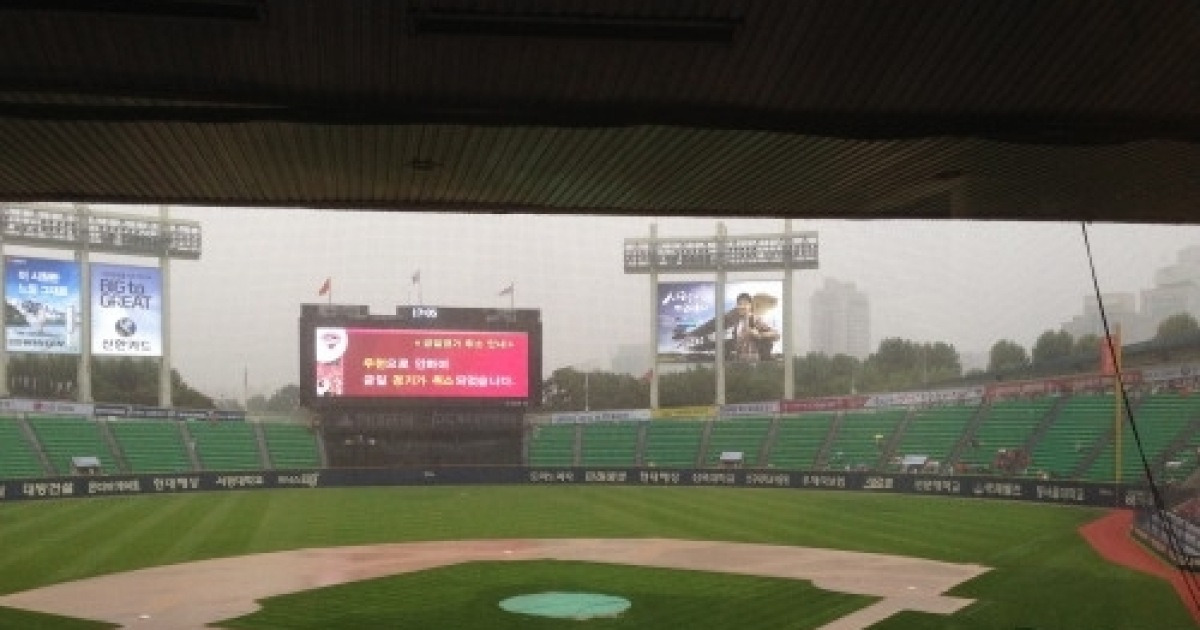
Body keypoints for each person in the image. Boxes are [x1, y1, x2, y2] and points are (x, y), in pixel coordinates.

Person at [727, 292, 780, 362]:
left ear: (750, 305)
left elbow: (776, 335)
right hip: (740, 363)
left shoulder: (754, 319)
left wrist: (759, 335)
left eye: (745, 304)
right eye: (739, 304)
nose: (742, 306)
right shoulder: (737, 324)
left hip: (753, 362)